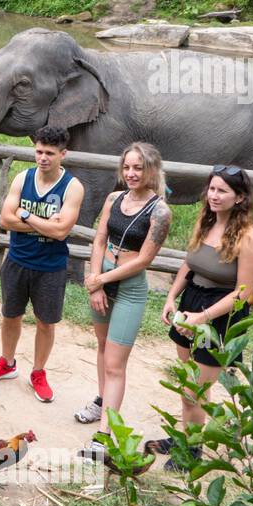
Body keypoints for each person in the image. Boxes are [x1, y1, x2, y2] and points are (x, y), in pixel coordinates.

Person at [153, 165, 253, 471]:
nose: (214, 196)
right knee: (188, 380)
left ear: (240, 197)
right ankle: (186, 436)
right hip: (192, 303)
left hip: (219, 315)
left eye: (222, 191)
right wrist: (170, 297)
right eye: (211, 189)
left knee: (194, 391)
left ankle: (192, 452)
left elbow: (243, 292)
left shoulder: (249, 237)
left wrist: (202, 318)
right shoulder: (206, 220)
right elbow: (189, 265)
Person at [0, 125, 85, 403]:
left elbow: (61, 232)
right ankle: (7, 363)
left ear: (63, 154)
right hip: (17, 260)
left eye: (50, 153)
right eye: (39, 151)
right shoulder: (23, 178)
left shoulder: (73, 187)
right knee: (10, 315)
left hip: (50, 266)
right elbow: (5, 220)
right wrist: (44, 224)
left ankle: (38, 372)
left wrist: (25, 214)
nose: (43, 157)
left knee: (45, 322)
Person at [75, 143, 173, 439]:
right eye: (127, 167)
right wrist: (95, 279)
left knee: (116, 363)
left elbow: (144, 259)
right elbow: (100, 239)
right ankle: (102, 401)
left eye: (138, 168)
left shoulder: (160, 211)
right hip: (101, 281)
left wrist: (102, 280)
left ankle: (105, 433)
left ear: (151, 171)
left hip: (128, 289)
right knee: (103, 347)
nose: (130, 173)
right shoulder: (114, 198)